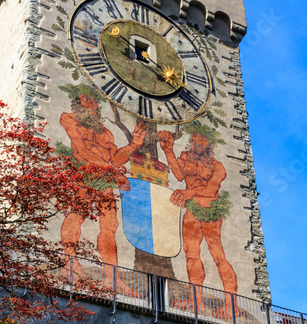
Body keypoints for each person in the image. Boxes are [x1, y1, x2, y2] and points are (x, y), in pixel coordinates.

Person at [58, 84, 145, 266]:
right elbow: (81, 150)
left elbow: (116, 159)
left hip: (104, 178)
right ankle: (69, 263)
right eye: (86, 100)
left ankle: (111, 274)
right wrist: (112, 171)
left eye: (95, 102)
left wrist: (133, 145)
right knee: (77, 214)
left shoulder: (105, 132)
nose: (92, 104)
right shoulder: (69, 118)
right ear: (77, 103)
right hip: (85, 175)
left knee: (110, 226)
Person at [158, 123, 237, 293]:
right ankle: (196, 301)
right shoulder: (185, 159)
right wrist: (168, 150)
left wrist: (188, 193)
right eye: (195, 139)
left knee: (218, 255)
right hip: (192, 213)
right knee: (191, 255)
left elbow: (211, 190)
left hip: (210, 214)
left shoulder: (218, 167)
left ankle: (231, 304)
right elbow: (179, 175)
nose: (198, 142)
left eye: (202, 139)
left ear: (209, 144)